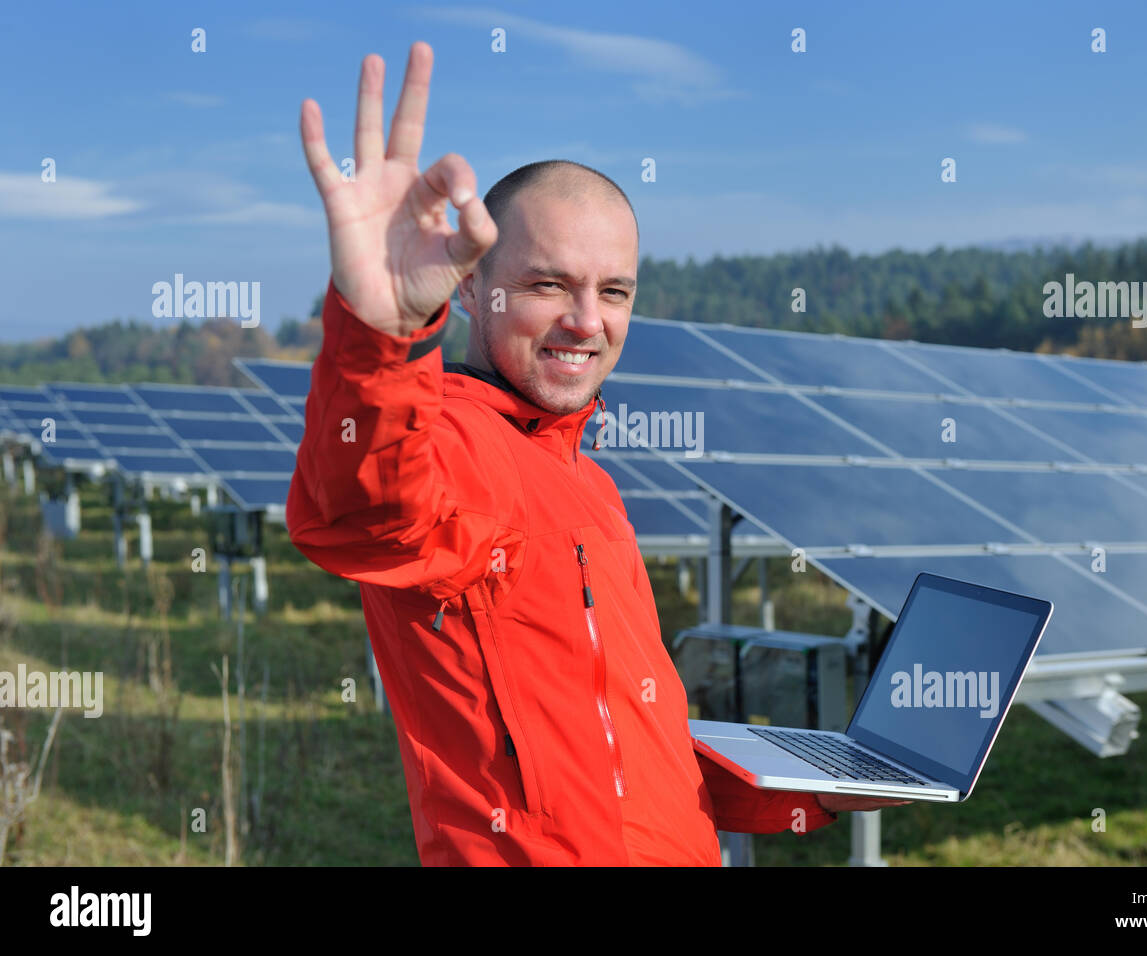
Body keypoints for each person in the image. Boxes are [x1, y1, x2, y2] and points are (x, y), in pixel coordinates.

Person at [287, 41, 907, 866]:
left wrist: (812, 793)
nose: (587, 320)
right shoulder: (457, 446)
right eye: (548, 285)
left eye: (613, 291)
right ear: (471, 285)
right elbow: (365, 518)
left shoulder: (589, 485)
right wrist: (382, 333)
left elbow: (628, 754)